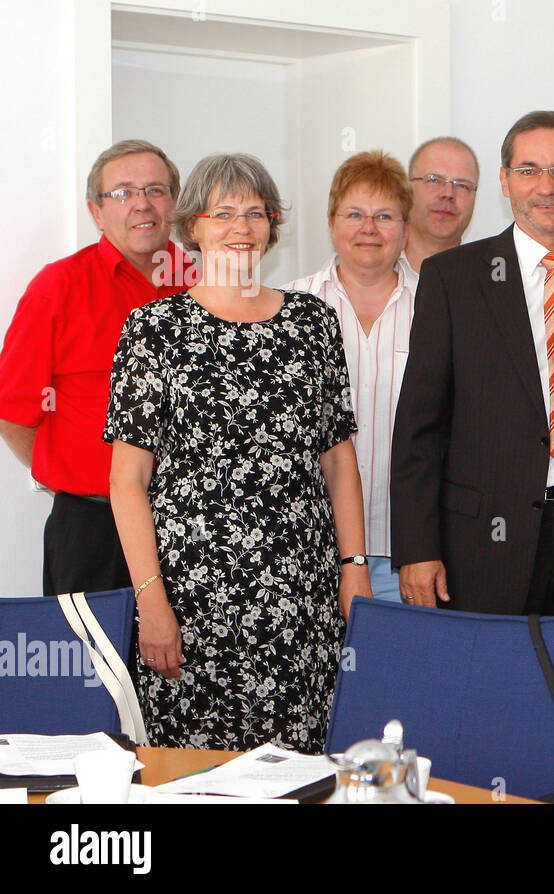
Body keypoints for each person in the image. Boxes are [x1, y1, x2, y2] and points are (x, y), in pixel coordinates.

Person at [106, 153, 371, 752]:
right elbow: (128, 481)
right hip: (190, 599)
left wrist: (353, 568)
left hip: (300, 595)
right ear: (192, 226)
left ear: (273, 226)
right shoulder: (154, 330)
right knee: (195, 777)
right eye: (223, 212)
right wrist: (152, 602)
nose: (241, 227)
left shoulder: (312, 322)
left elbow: (338, 459)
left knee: (300, 770)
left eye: (256, 213)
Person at [391, 111, 554, 616]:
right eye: (529, 170)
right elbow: (420, 428)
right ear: (506, 181)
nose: (547, 186)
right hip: (484, 541)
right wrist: (418, 550)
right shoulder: (454, 278)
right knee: (492, 690)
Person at [0, 139, 191, 596]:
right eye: (122, 192)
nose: (141, 204)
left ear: (176, 203)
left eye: (155, 190)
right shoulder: (58, 288)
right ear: (96, 211)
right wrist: (78, 473)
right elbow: (12, 411)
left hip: (192, 529)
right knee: (92, 666)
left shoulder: (205, 287)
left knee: (188, 668)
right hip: (93, 532)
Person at [283, 150, 418, 603]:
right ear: (330, 222)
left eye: (385, 216)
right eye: (354, 214)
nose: (369, 229)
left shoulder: (439, 307)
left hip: (408, 554)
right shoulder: (288, 308)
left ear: (405, 228)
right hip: (310, 548)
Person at [405, 137, 479, 271]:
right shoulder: (366, 268)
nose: (448, 193)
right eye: (433, 180)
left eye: (462, 185)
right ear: (408, 189)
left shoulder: (491, 282)